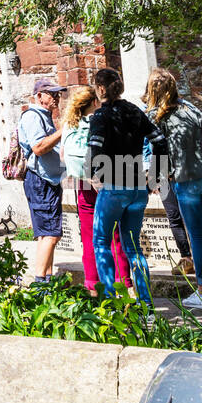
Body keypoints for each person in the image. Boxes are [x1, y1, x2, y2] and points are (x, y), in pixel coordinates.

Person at [144, 68, 202, 312]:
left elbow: (157, 152)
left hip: (185, 180)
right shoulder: (189, 108)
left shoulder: (154, 116)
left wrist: (159, 177)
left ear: (152, 90)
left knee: (198, 236)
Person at [85, 67, 168, 307]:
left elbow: (94, 148)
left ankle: (113, 303)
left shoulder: (101, 116)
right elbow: (159, 141)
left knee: (101, 242)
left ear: (100, 89)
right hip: (138, 187)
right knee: (134, 249)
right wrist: (155, 177)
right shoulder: (134, 111)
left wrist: (95, 176)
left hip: (114, 185)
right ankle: (147, 305)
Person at [61, 85, 131, 298]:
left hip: (81, 183)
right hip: (104, 179)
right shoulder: (101, 120)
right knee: (113, 234)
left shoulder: (68, 124)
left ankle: (93, 283)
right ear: (93, 103)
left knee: (89, 234)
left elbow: (63, 156)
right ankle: (121, 283)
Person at [17, 76, 66, 284]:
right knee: (50, 234)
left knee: (50, 234)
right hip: (40, 181)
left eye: (58, 94)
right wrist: (65, 130)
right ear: (39, 96)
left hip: (50, 180)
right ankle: (40, 283)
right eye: (52, 94)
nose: (57, 98)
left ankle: (47, 278)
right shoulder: (32, 117)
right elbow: (38, 148)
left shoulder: (44, 116)